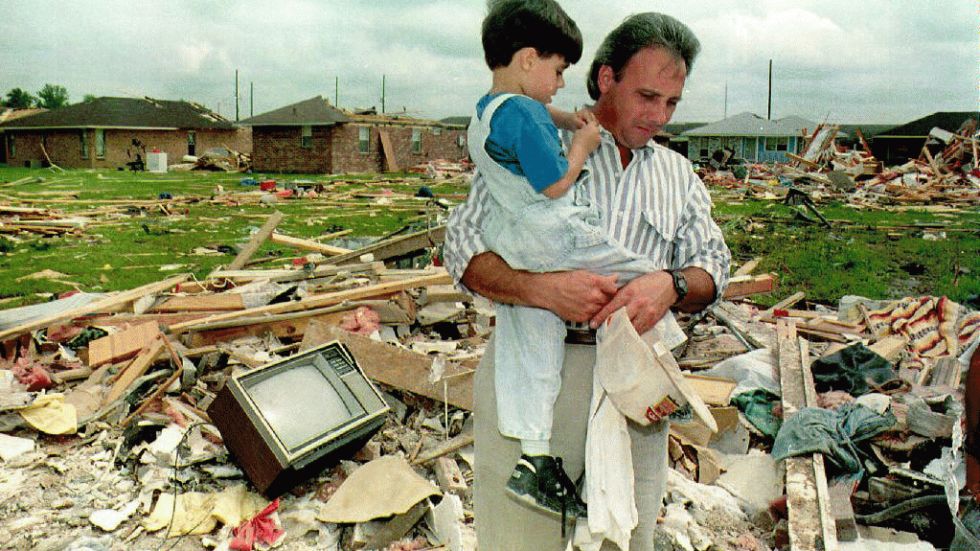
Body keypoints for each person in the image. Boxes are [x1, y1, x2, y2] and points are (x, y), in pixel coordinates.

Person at [445, 10, 732, 551]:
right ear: (606, 79)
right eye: (647, 97)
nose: (659, 117)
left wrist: (668, 285)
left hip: (633, 382)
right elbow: (460, 246)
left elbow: (714, 264)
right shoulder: (541, 145)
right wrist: (540, 290)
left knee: (621, 537)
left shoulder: (677, 175)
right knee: (519, 542)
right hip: (538, 381)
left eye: (671, 104)